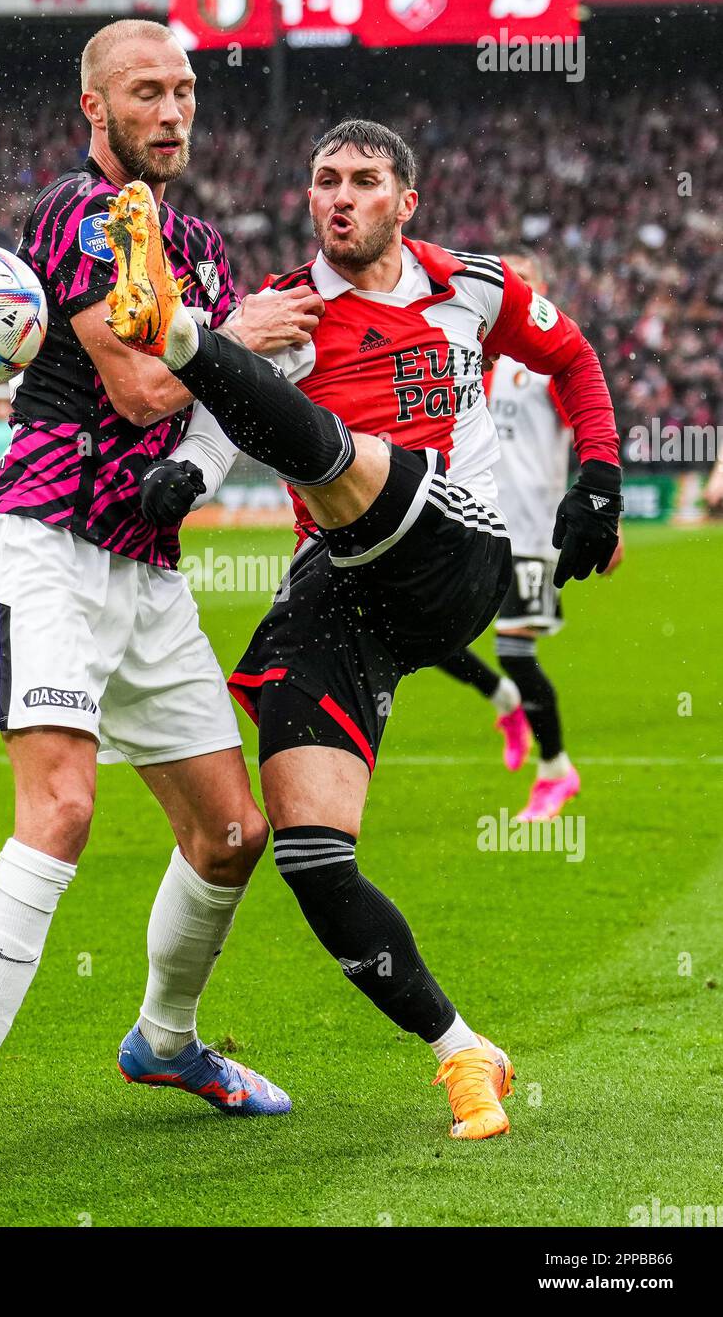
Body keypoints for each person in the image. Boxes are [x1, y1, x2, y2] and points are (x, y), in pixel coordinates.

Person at [104, 119, 622, 1139]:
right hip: (342, 590)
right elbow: (217, 424)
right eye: (323, 180)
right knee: (308, 852)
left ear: (404, 201)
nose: (338, 196)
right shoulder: (284, 315)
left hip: (455, 548)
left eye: (363, 180)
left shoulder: (469, 286)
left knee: (352, 462)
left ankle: (173, 333)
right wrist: (187, 477)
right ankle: (462, 1050)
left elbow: (573, 361)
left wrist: (598, 476)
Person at [0, 19, 324, 1190]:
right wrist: (230, 343)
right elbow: (146, 389)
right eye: (147, 92)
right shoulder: (73, 214)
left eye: (184, 90)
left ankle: (166, 1043)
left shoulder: (195, 239)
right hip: (40, 543)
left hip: (143, 570)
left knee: (232, 835)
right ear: (95, 108)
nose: (174, 111)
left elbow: (227, 409)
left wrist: (231, 372)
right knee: (64, 809)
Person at [437, 250, 623, 820]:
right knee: (425, 634)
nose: (509, 288)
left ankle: (556, 768)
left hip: (533, 534)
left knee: (517, 651)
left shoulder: (543, 365)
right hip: (471, 524)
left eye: (522, 279)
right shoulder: (471, 360)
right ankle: (503, 701)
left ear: (539, 289)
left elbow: (587, 425)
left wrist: (603, 516)